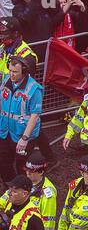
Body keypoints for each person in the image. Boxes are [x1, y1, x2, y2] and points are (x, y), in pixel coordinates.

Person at [0, 54, 42, 182]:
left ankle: (24, 189)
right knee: (3, 163)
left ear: (24, 72)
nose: (11, 74)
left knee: (22, 166)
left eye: (15, 72)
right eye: (10, 71)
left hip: (22, 135)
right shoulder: (6, 80)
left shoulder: (34, 89)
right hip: (4, 132)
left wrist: (24, 139)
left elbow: (35, 116)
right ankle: (12, 188)